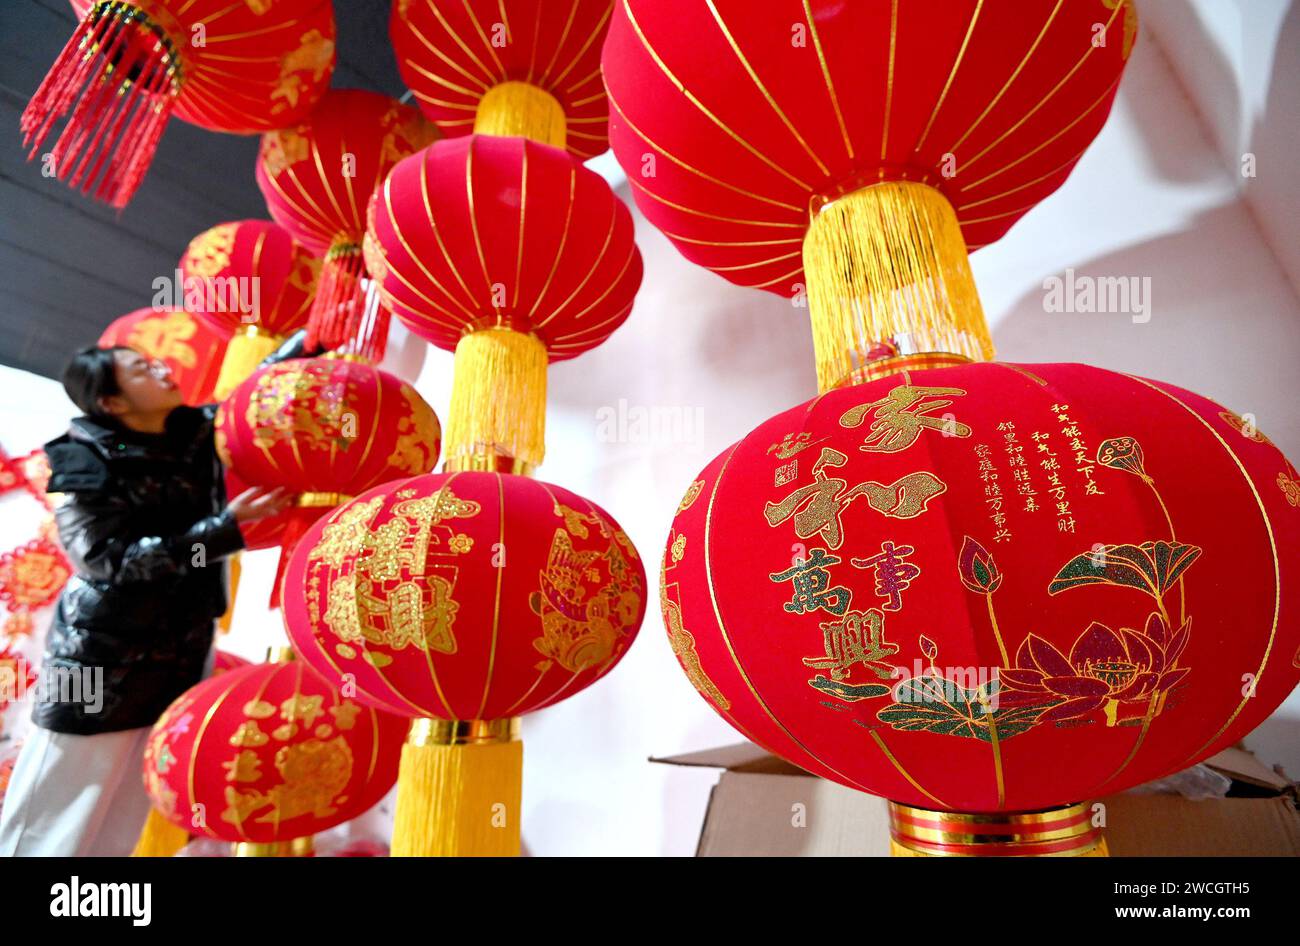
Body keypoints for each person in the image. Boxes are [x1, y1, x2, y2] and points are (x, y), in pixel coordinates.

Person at [0, 336, 303, 856]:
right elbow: (107, 561)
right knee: (57, 802)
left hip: (179, 647)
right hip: (97, 659)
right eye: (141, 370)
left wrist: (306, 345)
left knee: (124, 810)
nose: (160, 370)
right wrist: (224, 529)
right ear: (113, 403)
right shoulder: (80, 459)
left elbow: (246, 397)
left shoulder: (190, 432)